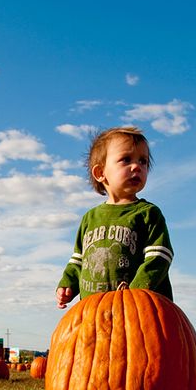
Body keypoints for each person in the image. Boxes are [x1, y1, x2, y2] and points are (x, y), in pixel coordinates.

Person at [56, 126, 174, 308]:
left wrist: (134, 294)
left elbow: (159, 257)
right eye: (126, 160)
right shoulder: (90, 218)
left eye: (143, 161)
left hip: (139, 310)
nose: (137, 166)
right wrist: (67, 284)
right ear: (100, 173)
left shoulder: (147, 213)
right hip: (93, 312)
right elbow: (78, 260)